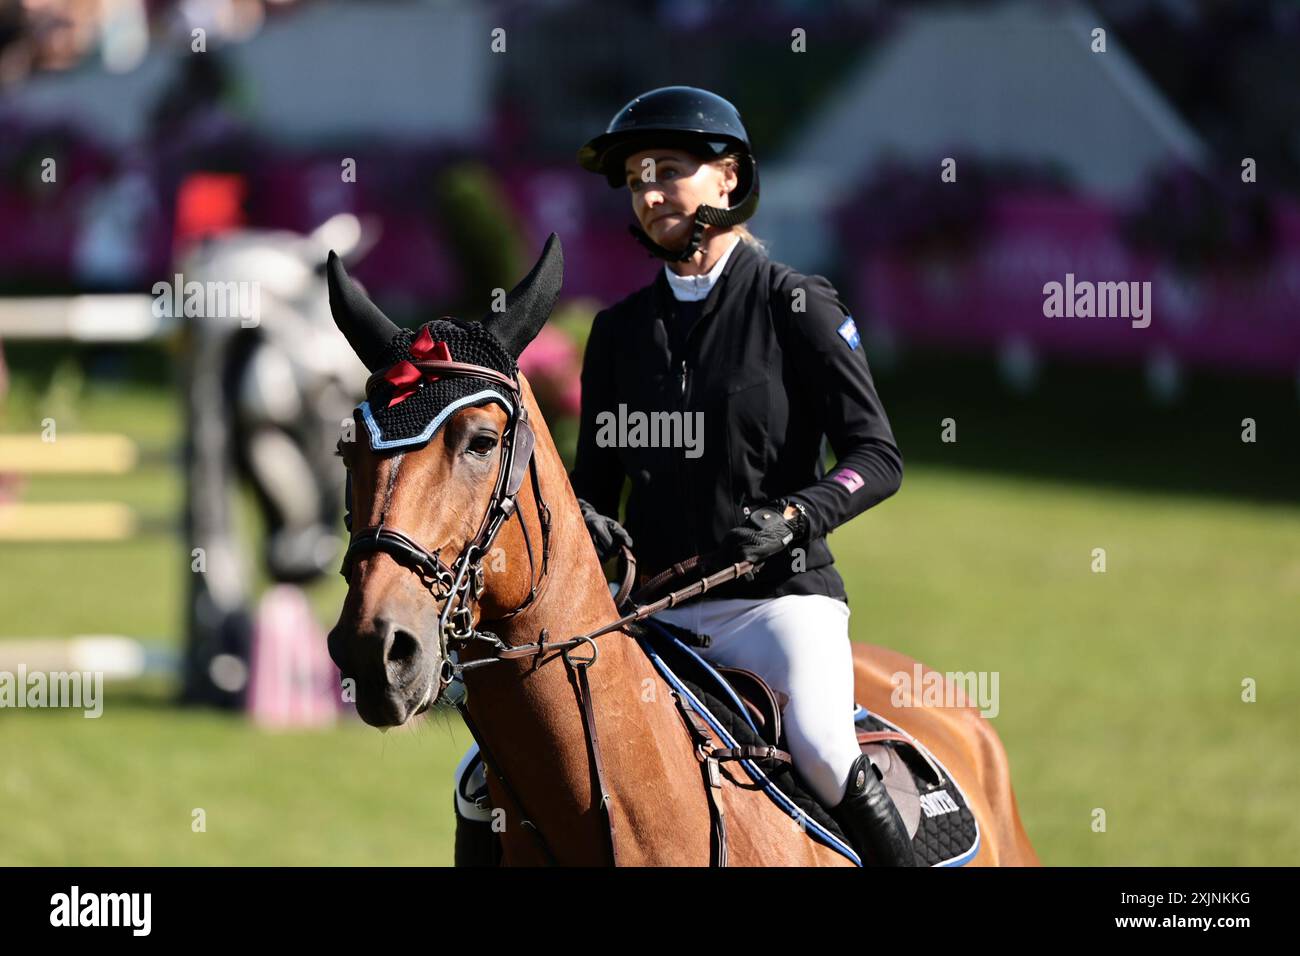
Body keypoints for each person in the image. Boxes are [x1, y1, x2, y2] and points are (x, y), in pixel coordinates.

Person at [566, 86, 913, 866]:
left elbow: (877, 456)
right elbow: (592, 484)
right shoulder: (617, 333)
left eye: (669, 171)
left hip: (777, 606)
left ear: (727, 177)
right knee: (488, 774)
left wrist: (797, 517)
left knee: (824, 746)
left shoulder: (798, 303)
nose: (650, 192)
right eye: (635, 178)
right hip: (651, 618)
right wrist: (587, 520)